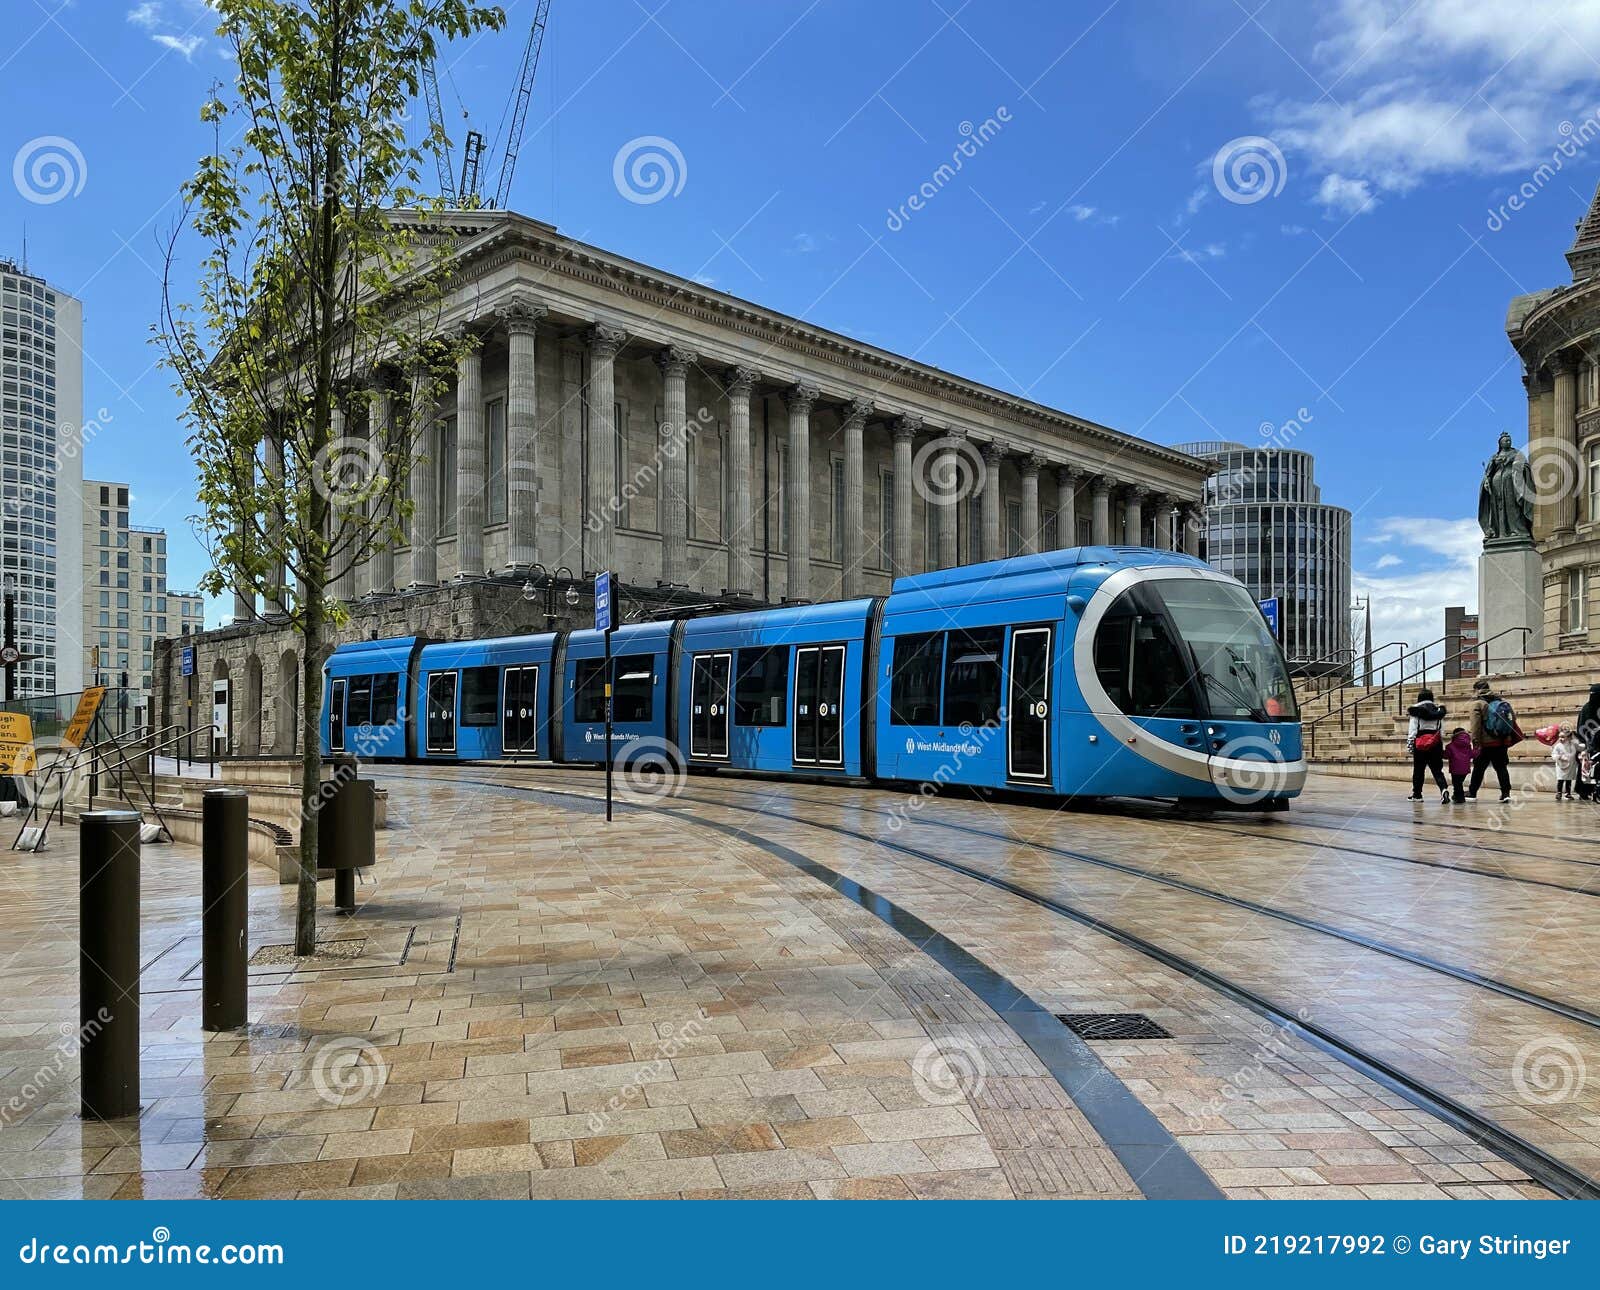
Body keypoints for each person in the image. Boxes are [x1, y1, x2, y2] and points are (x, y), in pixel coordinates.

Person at [1467, 678, 1518, 802]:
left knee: (1479, 768)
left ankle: (1472, 793)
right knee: (1501, 768)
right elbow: (1512, 719)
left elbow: (1475, 726)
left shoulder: (1477, 704)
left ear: (1476, 690)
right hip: (1501, 742)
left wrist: (1475, 742)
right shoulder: (1501, 701)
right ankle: (1505, 793)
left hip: (1486, 743)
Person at [1405, 688, 1448, 802]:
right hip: (1435, 742)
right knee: (1437, 769)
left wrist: (1410, 745)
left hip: (1420, 742)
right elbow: (1442, 730)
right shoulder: (1439, 711)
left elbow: (1413, 729)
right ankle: (1443, 789)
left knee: (1419, 770)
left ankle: (1417, 794)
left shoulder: (1416, 711)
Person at [1445, 728, 1474, 804]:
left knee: (1457, 784)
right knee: (1459, 783)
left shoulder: (1450, 746)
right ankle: (1456, 796)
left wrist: (1440, 753)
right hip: (1465, 769)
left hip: (1455, 769)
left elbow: (1446, 755)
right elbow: (1472, 754)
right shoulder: (1468, 745)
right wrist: (1477, 750)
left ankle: (1460, 798)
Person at [1552, 727, 1581, 800]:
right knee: (1560, 779)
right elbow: (1554, 754)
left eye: (1563, 737)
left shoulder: (1573, 744)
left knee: (1569, 780)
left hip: (1571, 765)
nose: (1560, 739)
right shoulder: (1558, 746)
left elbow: (1580, 747)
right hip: (1561, 765)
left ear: (1568, 738)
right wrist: (1559, 757)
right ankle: (1559, 792)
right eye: (1559, 737)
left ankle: (1568, 793)